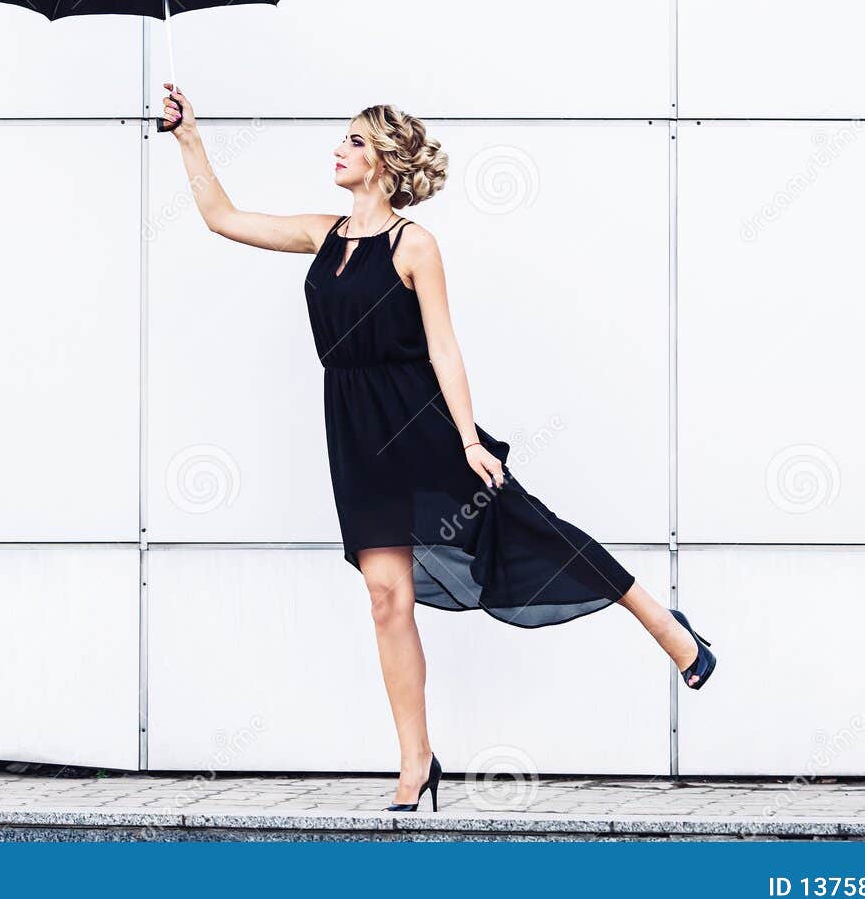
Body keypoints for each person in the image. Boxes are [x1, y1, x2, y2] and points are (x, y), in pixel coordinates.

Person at [161, 83, 717, 811]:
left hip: (419, 421)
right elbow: (220, 217)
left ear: (385, 162)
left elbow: (445, 347)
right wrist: (188, 137)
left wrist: (467, 439)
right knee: (386, 598)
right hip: (354, 430)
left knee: (527, 525)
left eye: (354, 140)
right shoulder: (322, 234)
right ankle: (416, 761)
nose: (338, 148)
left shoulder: (412, 244)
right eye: (344, 138)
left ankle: (664, 624)